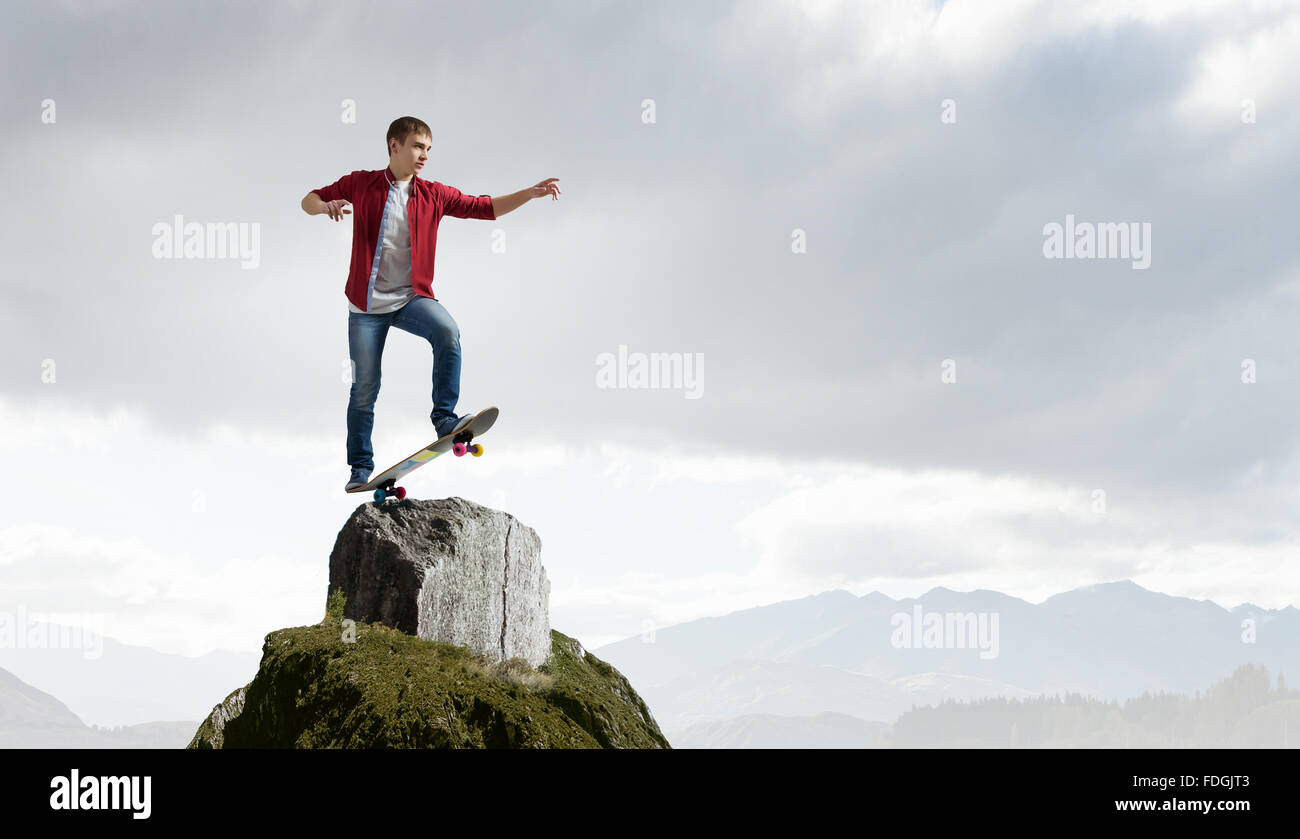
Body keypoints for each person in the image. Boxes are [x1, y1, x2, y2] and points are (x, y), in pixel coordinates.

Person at [301, 116, 560, 490]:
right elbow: (308, 200)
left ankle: (445, 419)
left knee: (447, 331)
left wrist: (528, 194)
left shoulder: (433, 194)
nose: (424, 155)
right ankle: (360, 468)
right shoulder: (360, 184)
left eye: (429, 149)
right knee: (364, 389)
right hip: (366, 308)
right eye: (418, 147)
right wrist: (324, 207)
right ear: (395, 146)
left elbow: (483, 207)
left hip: (410, 299)